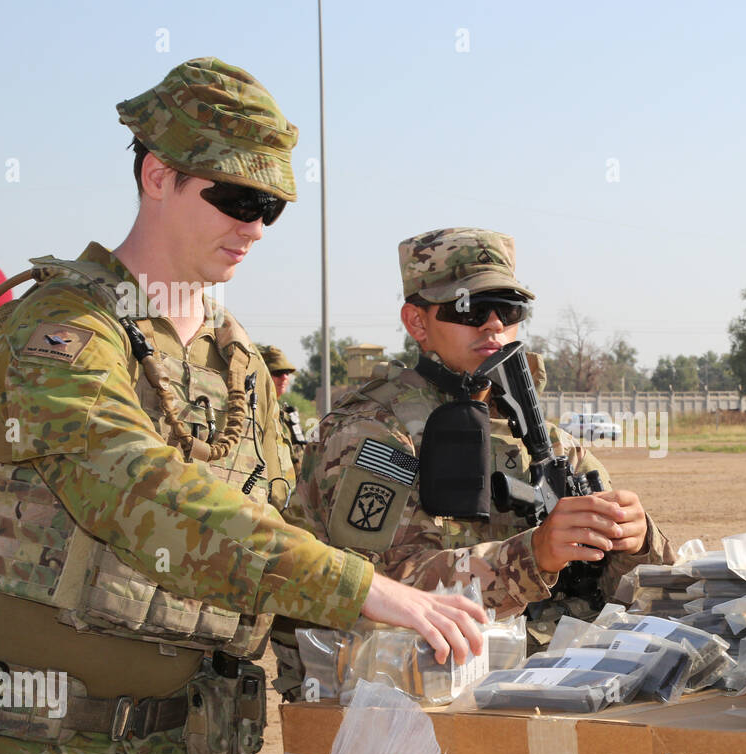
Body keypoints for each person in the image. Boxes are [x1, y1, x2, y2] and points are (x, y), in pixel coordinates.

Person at [0, 58, 485, 754]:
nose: (256, 228)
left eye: (271, 208)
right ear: (157, 175)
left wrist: (503, 576)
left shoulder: (237, 365)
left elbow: (291, 531)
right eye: (237, 200)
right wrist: (359, 590)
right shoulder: (62, 331)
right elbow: (136, 488)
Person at [279, 226, 674, 693]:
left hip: (538, 689)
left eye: (508, 309)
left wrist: (637, 543)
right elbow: (367, 587)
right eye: (467, 308)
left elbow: (646, 594)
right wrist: (532, 556)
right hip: (394, 698)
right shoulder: (371, 433)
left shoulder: (553, 445)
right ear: (417, 322)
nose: (493, 325)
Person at [259, 344, 309, 476]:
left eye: (287, 373)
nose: (285, 378)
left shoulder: (287, 414)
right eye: (277, 373)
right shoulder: (255, 413)